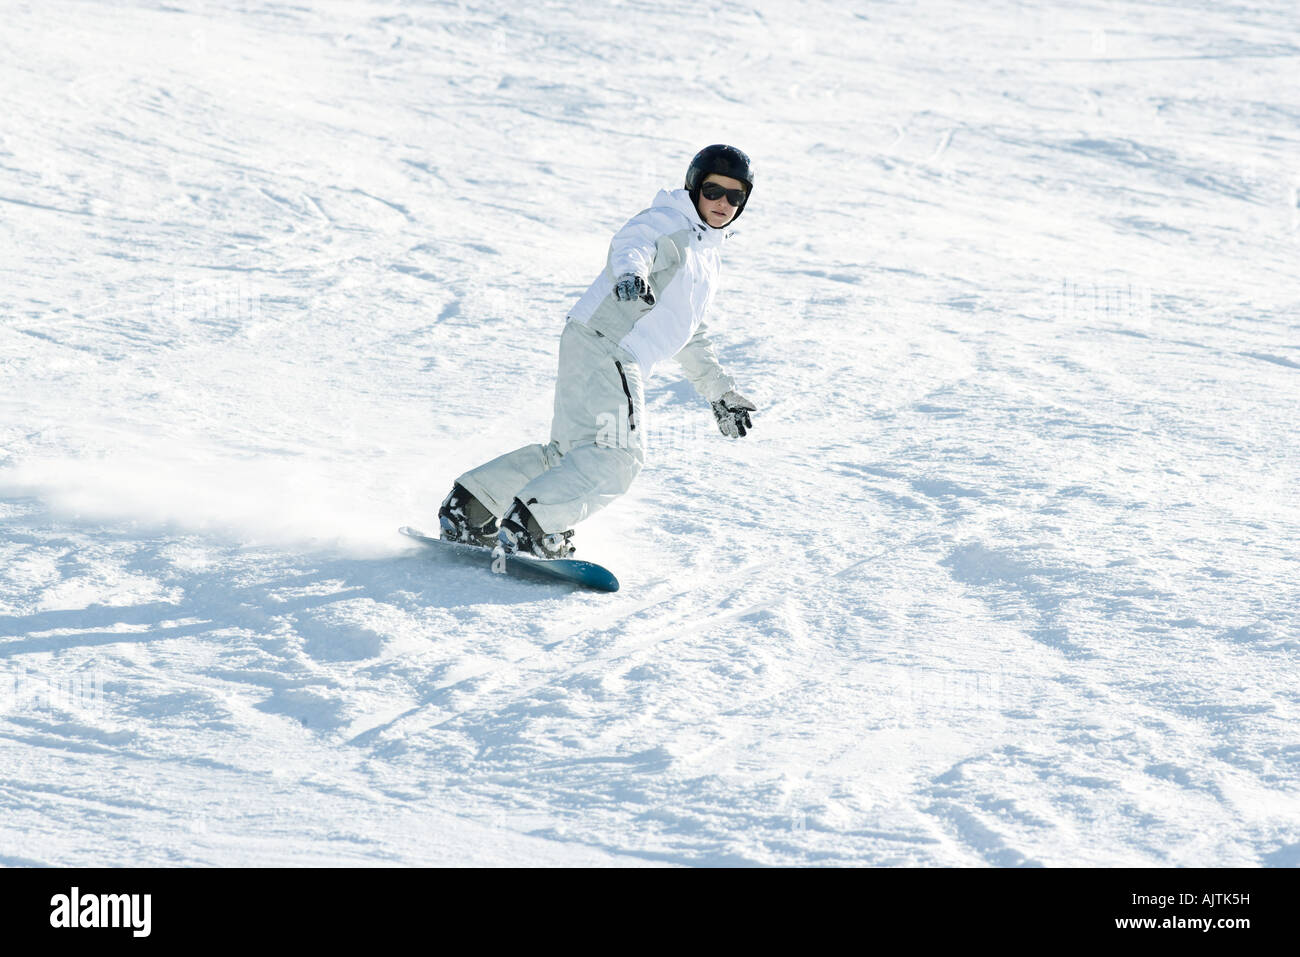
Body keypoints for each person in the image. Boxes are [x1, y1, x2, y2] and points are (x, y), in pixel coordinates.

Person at [438, 144, 758, 559]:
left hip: (591, 342)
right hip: (612, 347)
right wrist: (630, 273)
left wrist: (720, 394)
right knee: (618, 456)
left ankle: (472, 506)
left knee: (572, 454)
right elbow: (635, 241)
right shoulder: (671, 221)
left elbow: (689, 332)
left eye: (735, 196)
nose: (723, 203)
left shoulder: (705, 252)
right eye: (714, 191)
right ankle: (534, 526)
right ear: (695, 188)